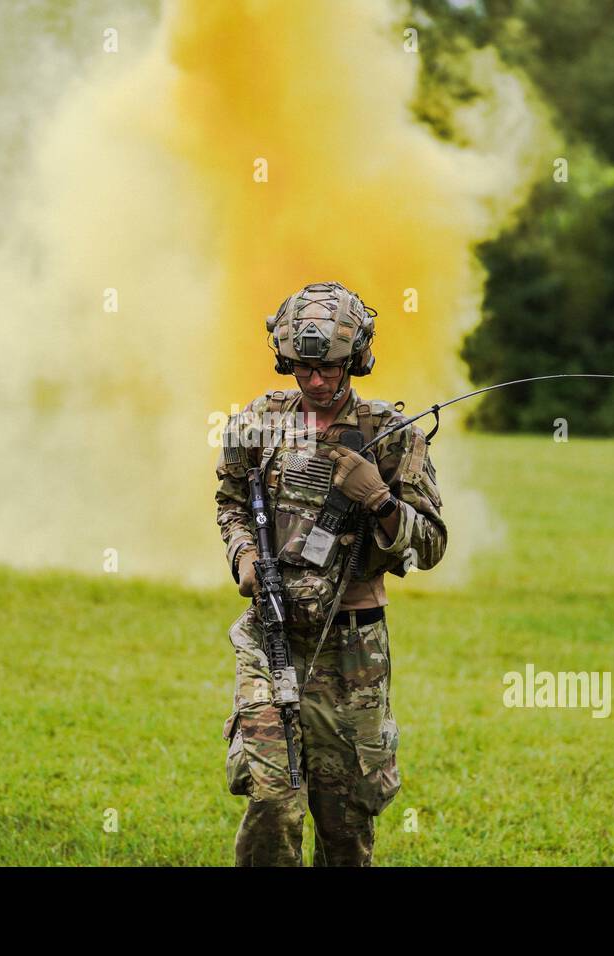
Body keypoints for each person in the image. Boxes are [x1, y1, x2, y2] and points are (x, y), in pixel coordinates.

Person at [213, 280, 447, 866]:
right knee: (272, 801)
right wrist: (243, 554)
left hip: (352, 652)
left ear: (356, 361)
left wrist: (380, 501)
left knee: (345, 823)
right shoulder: (259, 422)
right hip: (273, 637)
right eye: (303, 368)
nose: (315, 381)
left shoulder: (390, 438)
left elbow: (432, 544)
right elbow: (231, 500)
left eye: (330, 369)